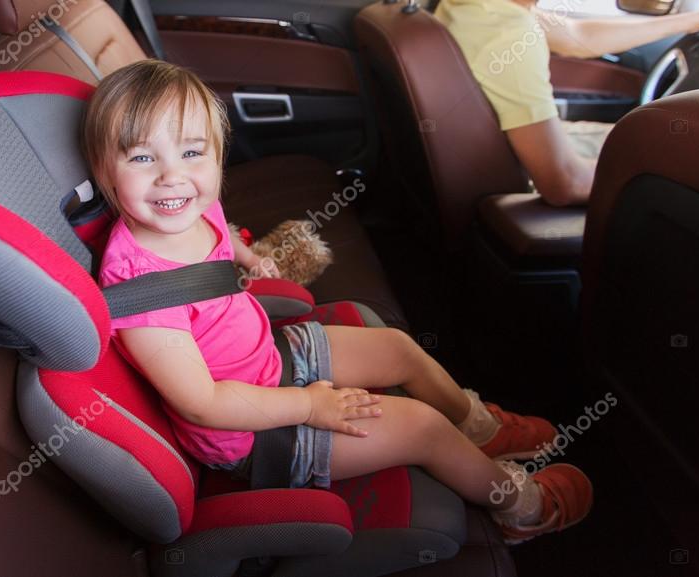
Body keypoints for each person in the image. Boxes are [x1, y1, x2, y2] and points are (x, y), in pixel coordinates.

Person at [83, 59, 592, 544]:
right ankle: (519, 508)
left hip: (269, 360)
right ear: (106, 172)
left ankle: (478, 429)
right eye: (143, 157)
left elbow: (217, 226)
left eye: (192, 152)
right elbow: (204, 403)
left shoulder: (193, 205)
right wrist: (309, 404)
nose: (172, 176)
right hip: (251, 434)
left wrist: (247, 257)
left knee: (395, 346)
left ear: (217, 156)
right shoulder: (142, 293)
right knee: (422, 428)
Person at [434, 0, 699, 206]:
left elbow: (579, 36)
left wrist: (698, 20)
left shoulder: (478, 9)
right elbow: (564, 183)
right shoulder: (505, 33)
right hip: (524, 185)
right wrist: (684, 172)